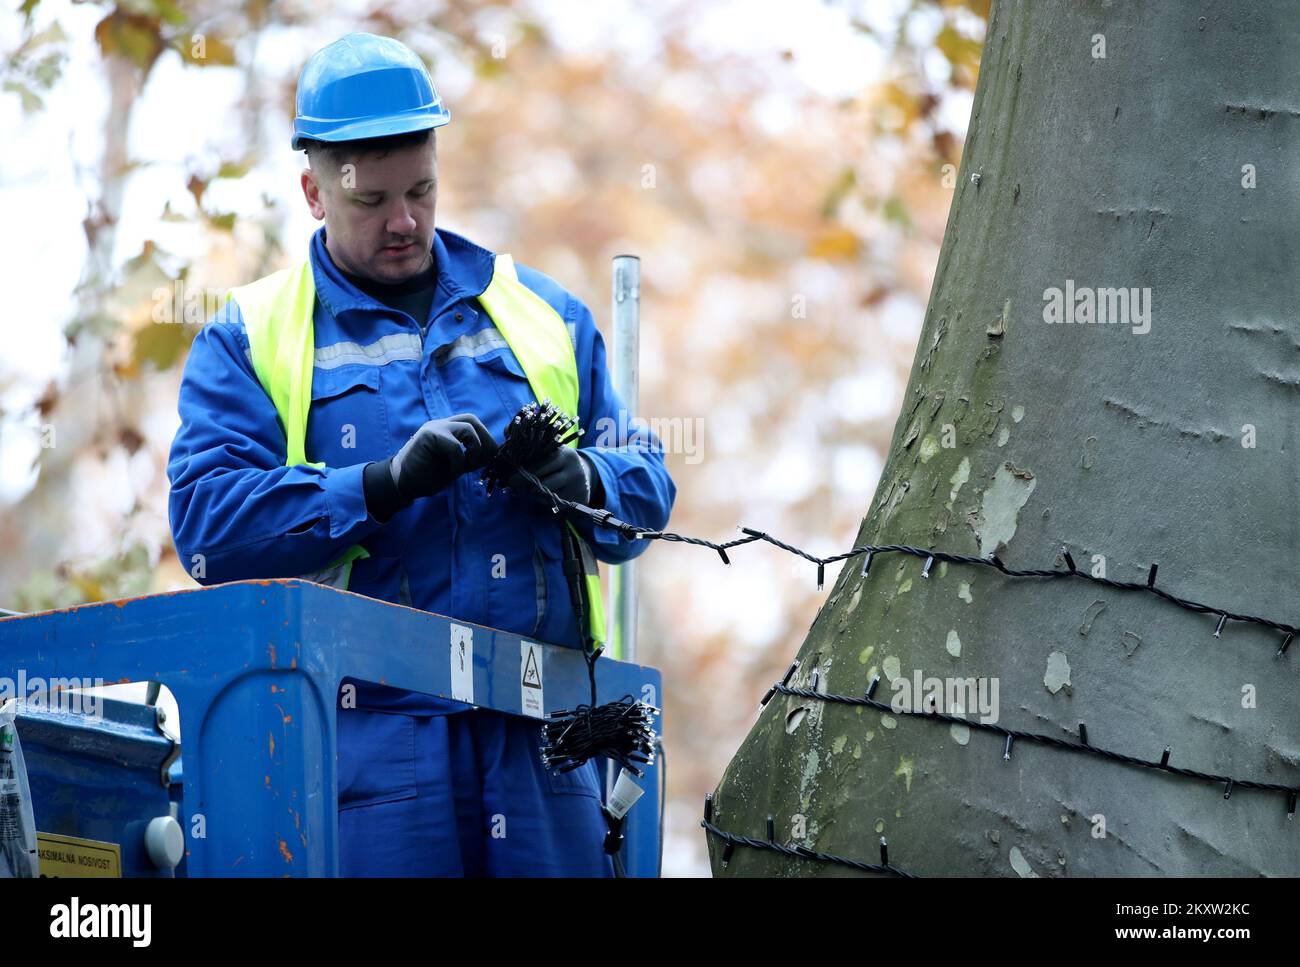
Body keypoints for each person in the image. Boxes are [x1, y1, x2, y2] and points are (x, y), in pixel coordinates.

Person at [166, 32, 676, 876]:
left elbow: (647, 487)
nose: (403, 221)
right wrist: (378, 484)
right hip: (365, 747)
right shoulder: (250, 338)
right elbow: (208, 528)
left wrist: (578, 476)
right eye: (371, 200)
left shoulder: (541, 316)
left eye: (421, 190)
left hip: (547, 747)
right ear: (314, 192)